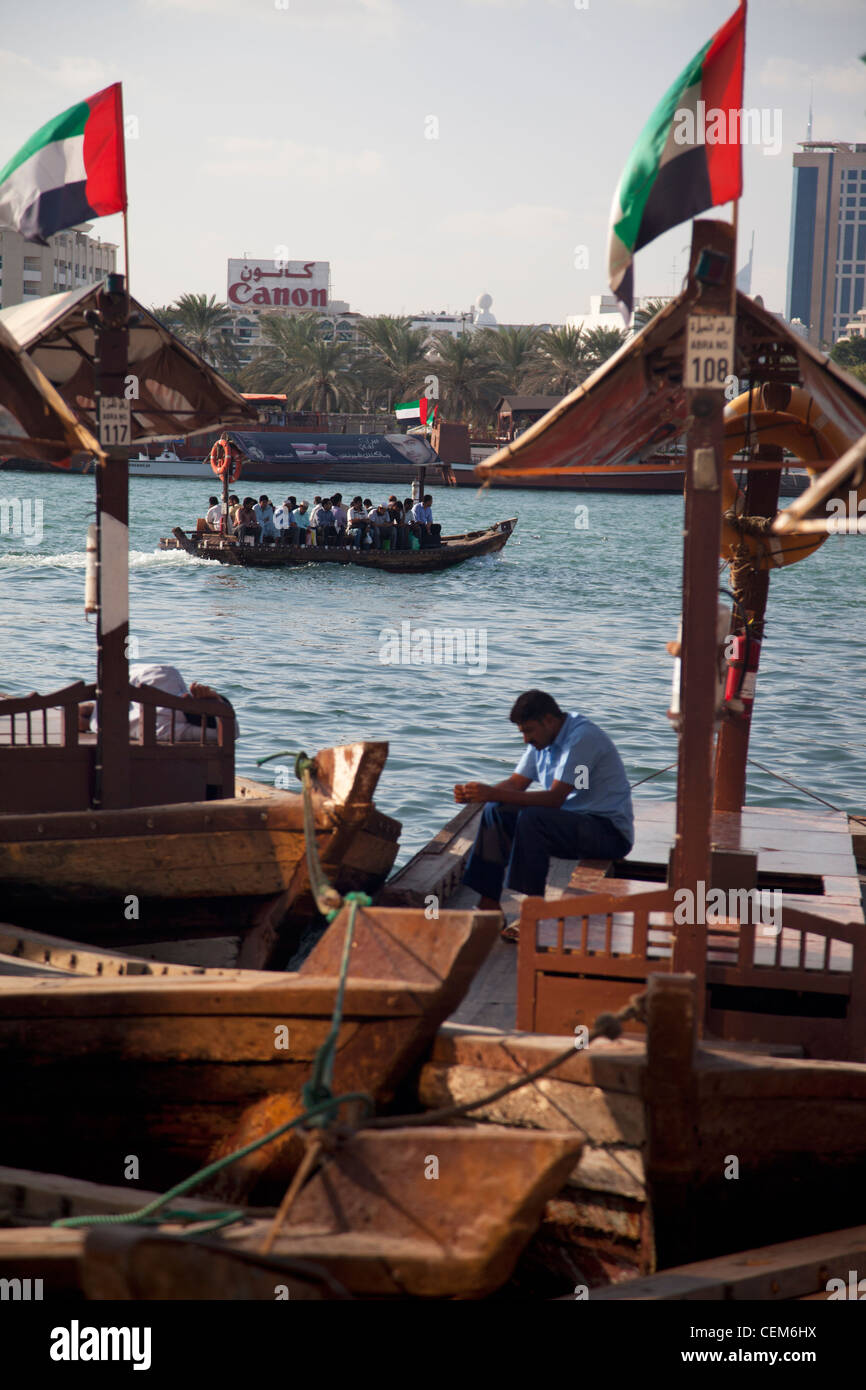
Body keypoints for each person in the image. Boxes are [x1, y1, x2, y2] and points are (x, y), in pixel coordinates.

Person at [455, 690, 634, 942]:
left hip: (606, 833)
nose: (526, 739)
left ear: (549, 720)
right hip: (570, 824)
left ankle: (533, 913)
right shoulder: (542, 740)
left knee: (533, 818)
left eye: (529, 731)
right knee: (496, 809)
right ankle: (488, 905)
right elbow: (516, 785)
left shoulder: (583, 738)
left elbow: (554, 799)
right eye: (522, 733)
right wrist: (479, 795)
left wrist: (492, 792)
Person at [82, 662, 239, 743]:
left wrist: (215, 698)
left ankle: (90, 710)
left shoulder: (169, 675)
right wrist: (216, 700)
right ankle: (90, 711)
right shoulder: (170, 730)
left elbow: (118, 676)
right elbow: (232, 732)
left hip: (114, 699)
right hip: (111, 714)